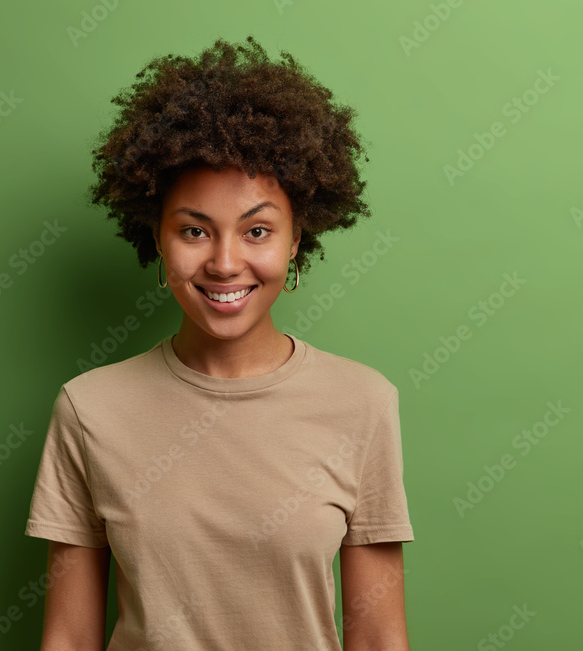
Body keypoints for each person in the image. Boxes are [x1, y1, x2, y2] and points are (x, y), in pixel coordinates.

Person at [25, 35, 414, 650]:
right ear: (157, 236)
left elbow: (378, 639)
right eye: (194, 231)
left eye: (257, 229)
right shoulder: (88, 409)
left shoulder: (362, 403)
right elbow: (68, 639)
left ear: (295, 239)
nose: (226, 262)